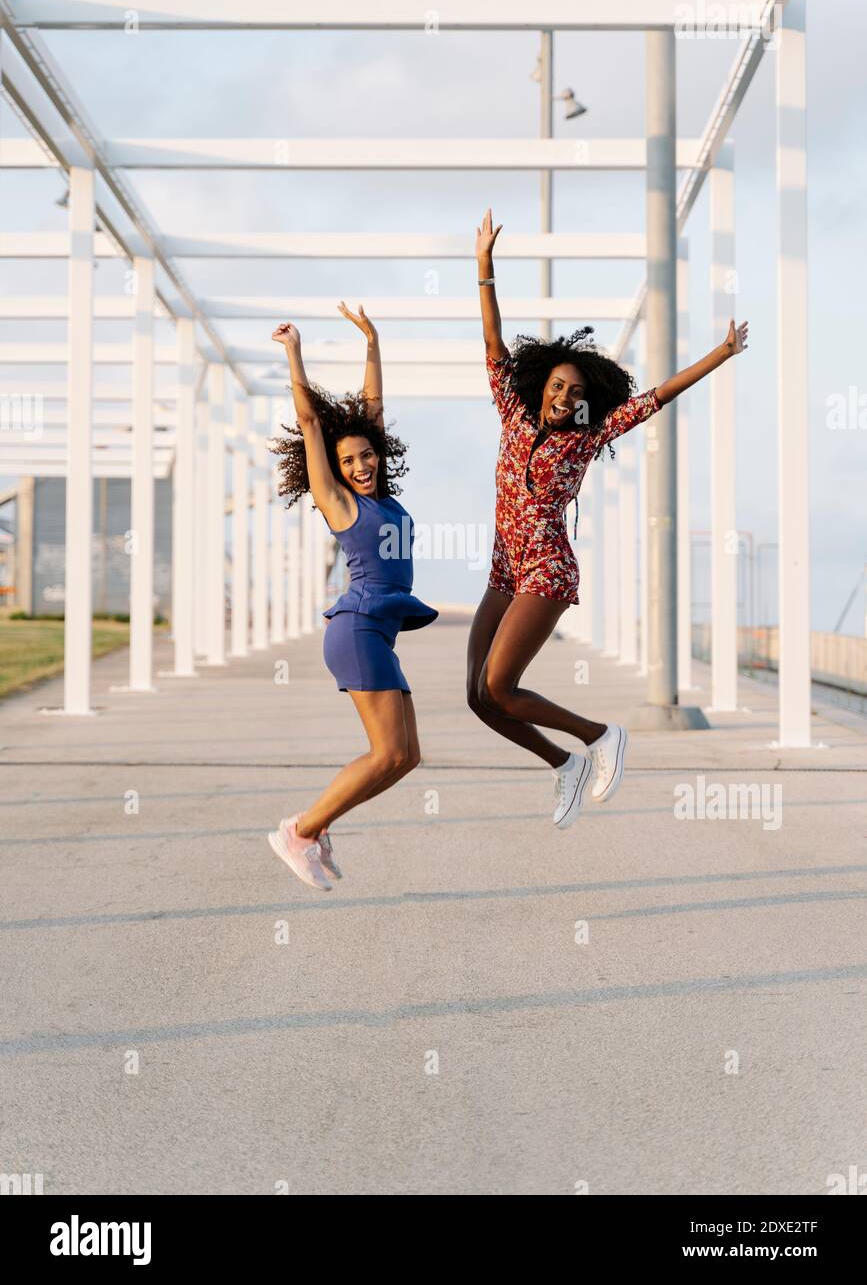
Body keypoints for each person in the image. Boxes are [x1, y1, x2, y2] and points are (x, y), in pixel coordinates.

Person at [468, 208, 748, 829]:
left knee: (503, 685)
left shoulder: (587, 437)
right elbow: (493, 342)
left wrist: (721, 353)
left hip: (545, 570)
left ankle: (600, 736)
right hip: (503, 569)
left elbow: (654, 398)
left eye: (575, 393)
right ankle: (563, 765)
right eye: (558, 388)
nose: (566, 399)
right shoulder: (513, 415)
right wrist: (484, 267)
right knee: (477, 696)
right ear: (541, 385)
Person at [267, 303, 437, 890]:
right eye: (349, 461)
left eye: (367, 455)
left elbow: (372, 412)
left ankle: (316, 826)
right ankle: (300, 830)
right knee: (388, 753)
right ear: (334, 472)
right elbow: (314, 425)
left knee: (407, 756)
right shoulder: (340, 503)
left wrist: (373, 342)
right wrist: (295, 352)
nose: (361, 465)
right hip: (358, 629)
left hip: (378, 633)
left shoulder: (383, 494)